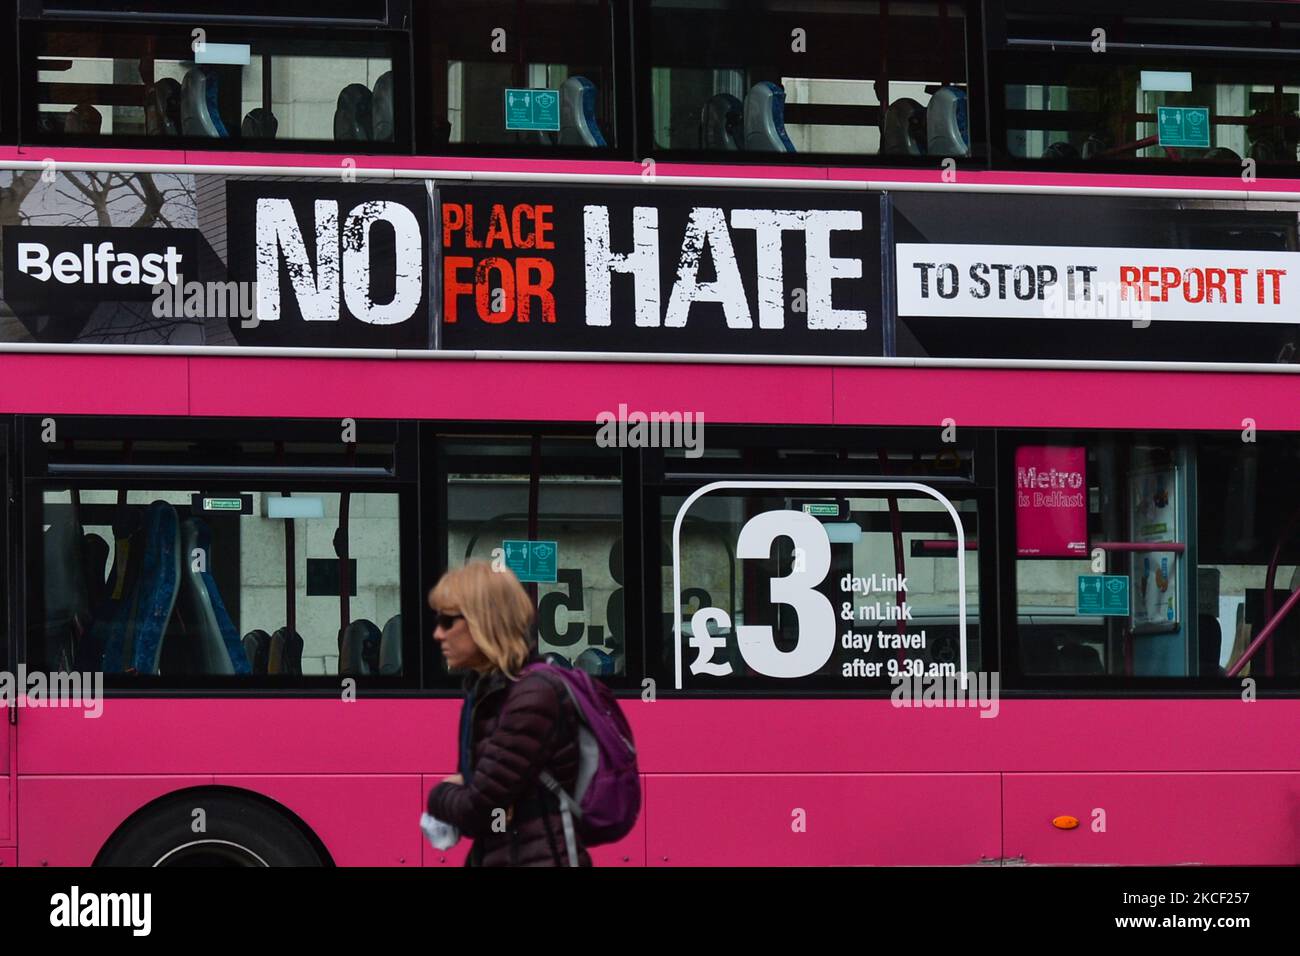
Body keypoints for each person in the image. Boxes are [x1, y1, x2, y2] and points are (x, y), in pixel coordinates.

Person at [425, 561, 592, 866]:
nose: (438, 634)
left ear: (483, 622)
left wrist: (439, 794)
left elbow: (479, 809)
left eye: (448, 621)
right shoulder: (490, 691)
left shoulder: (531, 696)